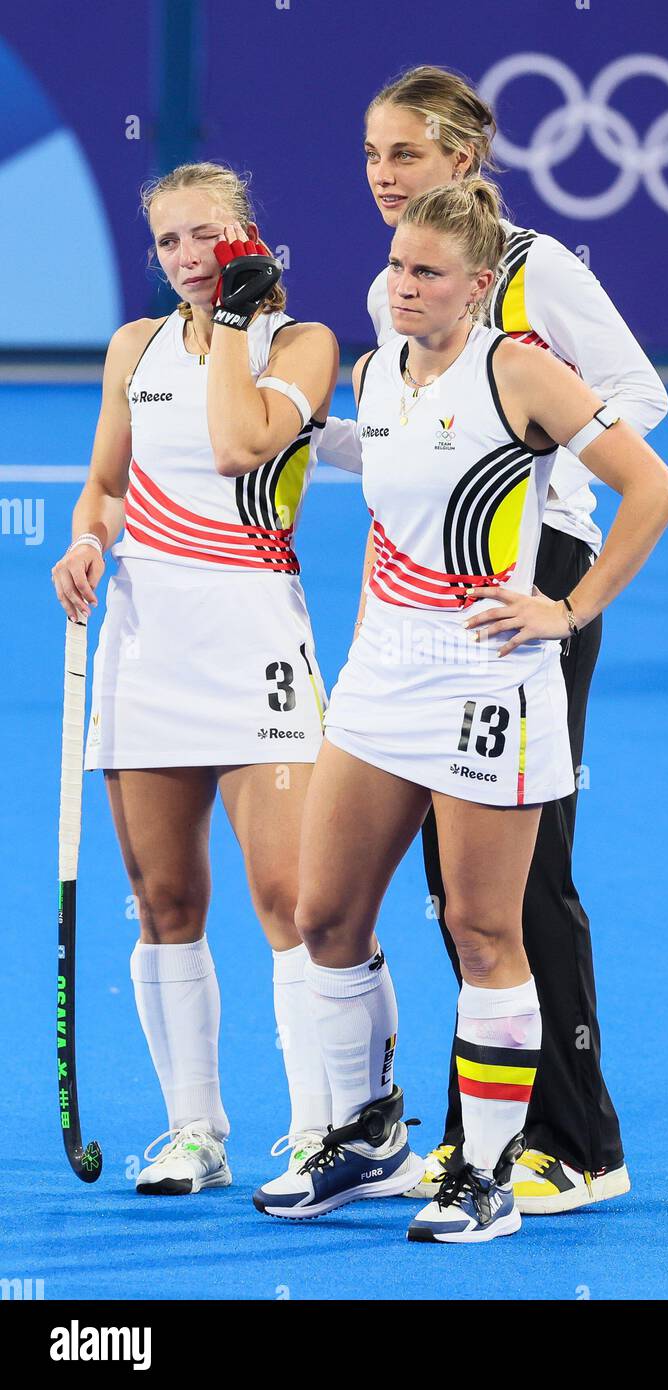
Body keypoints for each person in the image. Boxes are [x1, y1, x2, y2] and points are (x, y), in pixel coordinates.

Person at [252, 177, 668, 1243]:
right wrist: (307, 430)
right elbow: (399, 466)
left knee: (481, 925)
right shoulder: (377, 368)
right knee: (324, 918)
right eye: (396, 266)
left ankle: (484, 1176)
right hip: (382, 679)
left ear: (479, 285)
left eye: (426, 273)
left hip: (488, 679)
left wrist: (568, 608)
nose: (400, 287)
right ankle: (366, 1139)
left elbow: (654, 488)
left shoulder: (522, 370)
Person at [50, 161, 346, 1197]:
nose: (188, 259)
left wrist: (235, 319)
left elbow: (240, 451)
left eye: (207, 238)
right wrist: (85, 541)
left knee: (291, 898)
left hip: (256, 641)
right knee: (162, 896)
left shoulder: (300, 344)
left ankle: (322, 1129)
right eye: (170, 241)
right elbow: (104, 484)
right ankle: (195, 1129)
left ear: (248, 238)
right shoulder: (131, 348)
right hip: (145, 646)